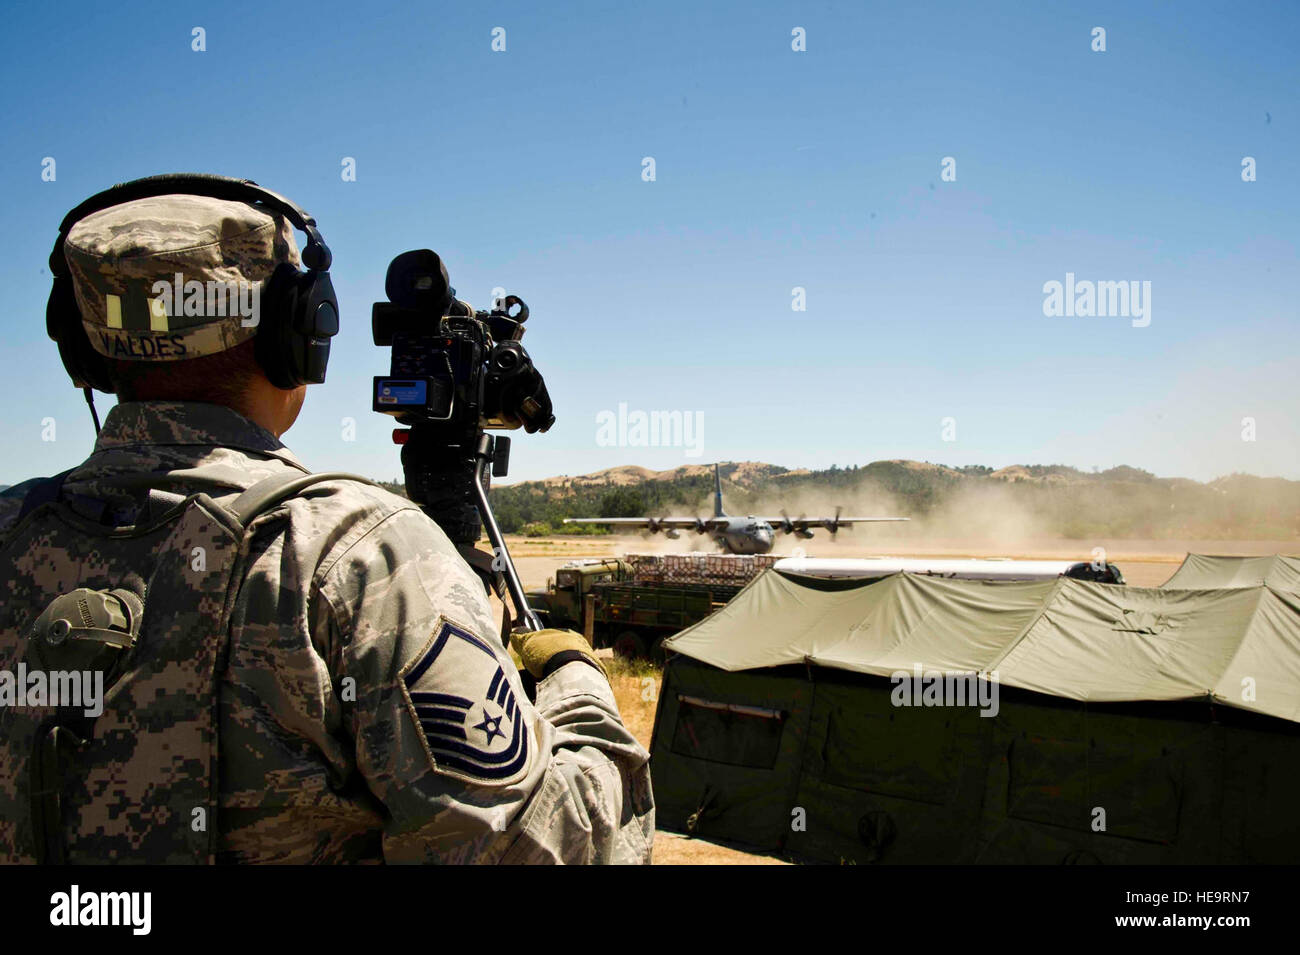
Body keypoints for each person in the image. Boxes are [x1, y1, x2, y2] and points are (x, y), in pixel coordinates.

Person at [0, 176, 653, 864]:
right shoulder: (359, 558)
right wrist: (577, 688)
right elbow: (541, 849)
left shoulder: (13, 528)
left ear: (80, 344)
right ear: (298, 332)